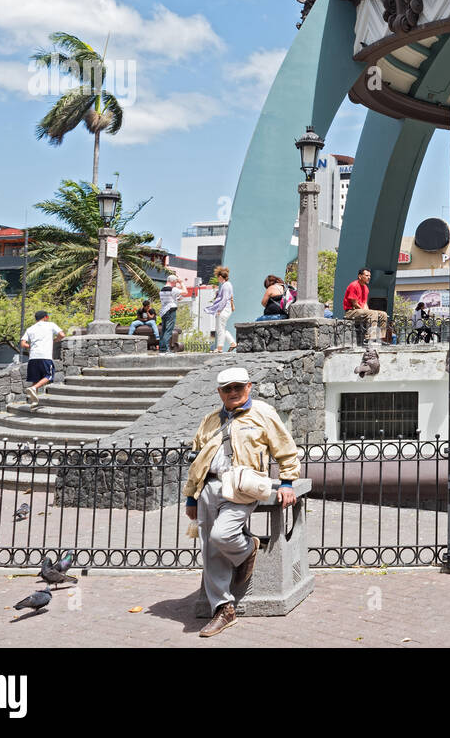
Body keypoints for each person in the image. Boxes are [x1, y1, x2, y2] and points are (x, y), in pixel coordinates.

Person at [183, 367, 299, 638]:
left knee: (222, 536)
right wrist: (191, 496)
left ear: (249, 387)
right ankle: (224, 608)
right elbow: (197, 461)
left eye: (238, 387)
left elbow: (286, 449)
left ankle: (248, 548)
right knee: (210, 548)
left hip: (242, 487)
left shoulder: (263, 413)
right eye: (227, 389)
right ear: (219, 392)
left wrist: (287, 482)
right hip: (209, 487)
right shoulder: (211, 420)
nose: (233, 392)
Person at [21, 310, 65, 405]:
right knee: (49, 376)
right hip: (45, 356)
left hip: (33, 357)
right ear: (46, 317)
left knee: (35, 379)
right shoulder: (50, 325)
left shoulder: (30, 328)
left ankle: (34, 403)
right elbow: (62, 335)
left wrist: (31, 346)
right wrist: (56, 340)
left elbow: (23, 344)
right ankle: (33, 388)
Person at [343, 267, 388, 343]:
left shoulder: (366, 288)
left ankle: (380, 338)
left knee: (383, 314)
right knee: (373, 313)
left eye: (369, 276)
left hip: (360, 310)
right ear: (360, 276)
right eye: (367, 275)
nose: (369, 277)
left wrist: (368, 311)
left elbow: (365, 303)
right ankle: (370, 338)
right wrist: (369, 312)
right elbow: (355, 304)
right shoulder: (354, 285)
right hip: (351, 311)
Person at [207, 267, 236, 352]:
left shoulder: (226, 285)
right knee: (221, 328)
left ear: (220, 276)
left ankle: (219, 348)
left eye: (217, 277)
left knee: (220, 329)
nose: (217, 279)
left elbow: (224, 299)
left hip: (224, 309)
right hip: (226, 308)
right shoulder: (227, 284)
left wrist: (219, 309)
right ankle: (232, 343)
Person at [158, 274, 183, 353]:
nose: (176, 283)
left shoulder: (162, 290)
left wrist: (177, 299)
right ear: (172, 281)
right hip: (171, 311)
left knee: (164, 330)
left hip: (163, 312)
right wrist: (182, 283)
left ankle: (162, 349)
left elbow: (168, 300)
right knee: (168, 331)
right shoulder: (173, 289)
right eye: (175, 282)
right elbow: (185, 292)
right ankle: (166, 349)